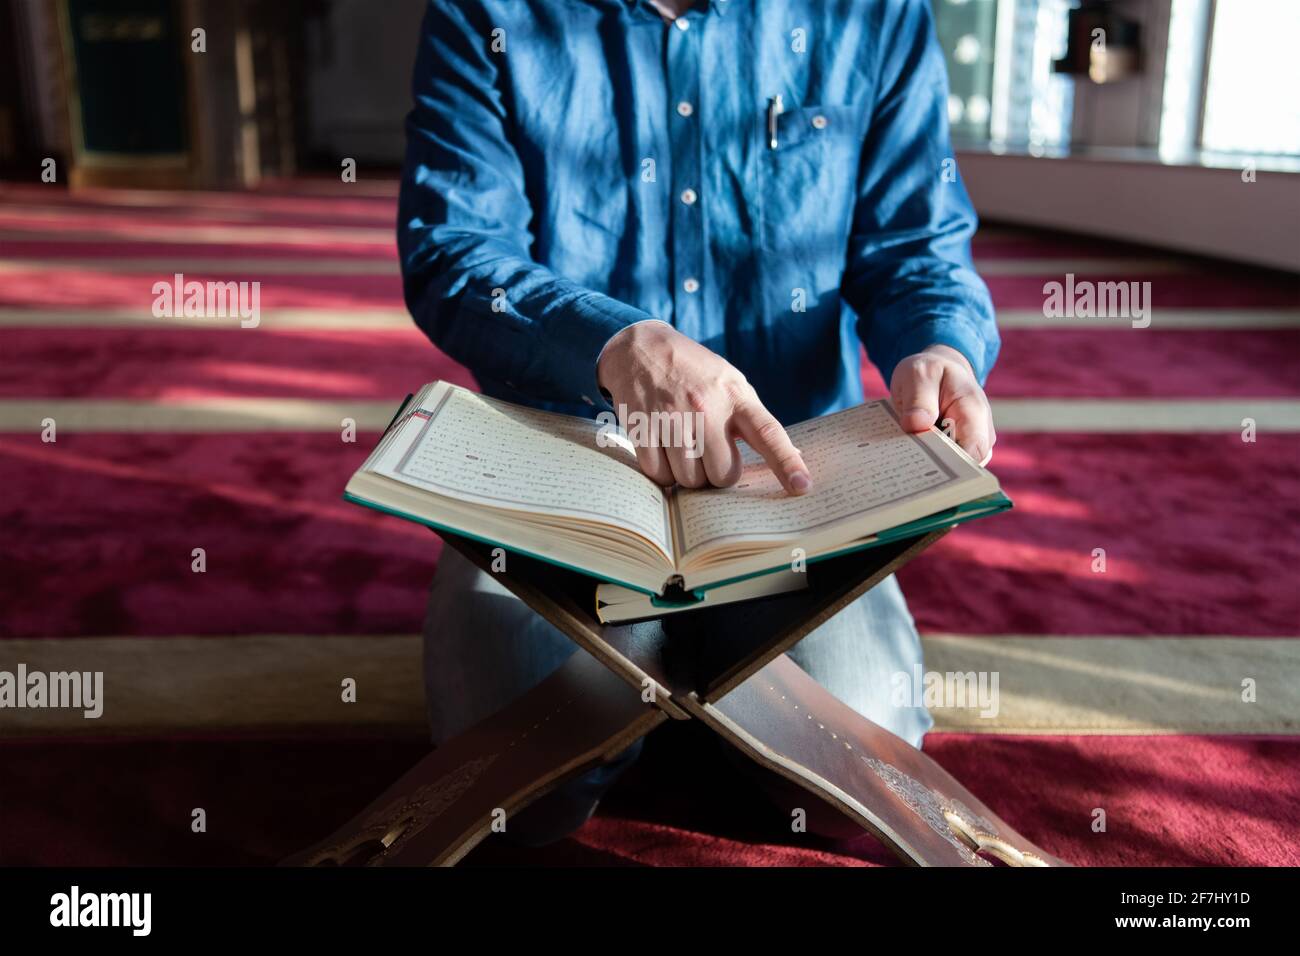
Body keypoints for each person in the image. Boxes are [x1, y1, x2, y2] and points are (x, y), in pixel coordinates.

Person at [399, 0, 998, 843]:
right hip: (565, 459)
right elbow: (452, 252)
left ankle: (677, 685)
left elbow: (917, 244)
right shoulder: (485, 13)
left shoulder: (872, 14)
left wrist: (942, 347)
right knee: (513, 799)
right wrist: (612, 344)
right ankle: (683, 690)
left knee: (857, 787)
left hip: (791, 480)